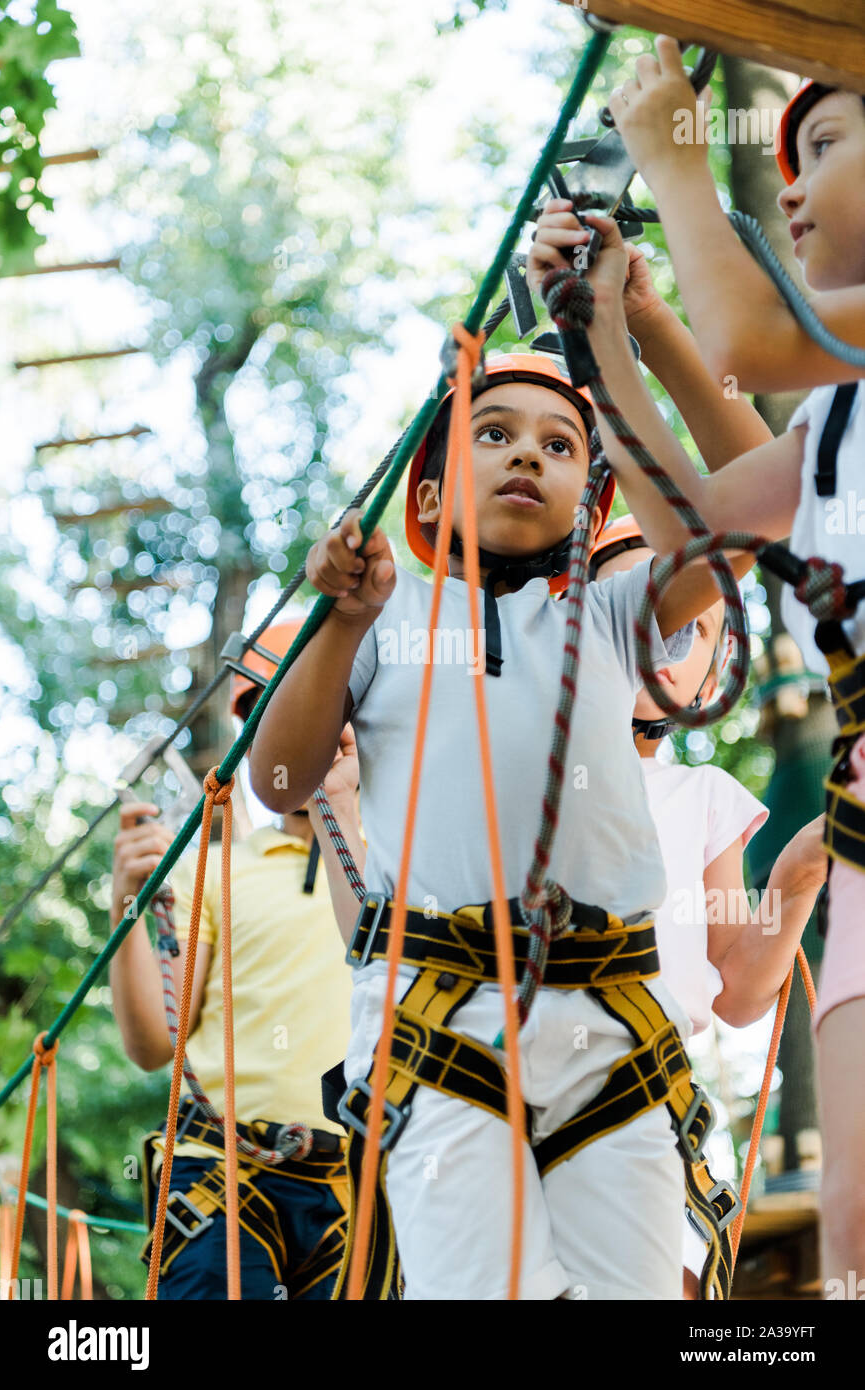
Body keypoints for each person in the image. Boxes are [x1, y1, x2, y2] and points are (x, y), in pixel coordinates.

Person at [249, 314, 773, 1299]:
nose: (527, 450)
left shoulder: (613, 613)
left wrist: (640, 331)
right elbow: (279, 781)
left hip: (608, 1024)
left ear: (593, 497)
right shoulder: (388, 613)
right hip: (440, 1018)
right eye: (493, 432)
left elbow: (757, 502)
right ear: (433, 489)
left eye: (561, 442)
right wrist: (341, 622)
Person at [527, 36, 865, 1285]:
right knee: (856, 1233)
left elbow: (752, 336)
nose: (787, 185)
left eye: (822, 145)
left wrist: (673, 151)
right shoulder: (839, 408)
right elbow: (699, 528)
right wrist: (616, 325)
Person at [592, 517, 826, 1297]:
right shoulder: (512, 773)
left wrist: (794, 879)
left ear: (718, 663)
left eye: (686, 629)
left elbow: (734, 987)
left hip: (648, 1107)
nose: (659, 642)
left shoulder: (702, 799)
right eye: (636, 611)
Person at [109, 621, 360, 1299]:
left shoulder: (407, 866)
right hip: (224, 1173)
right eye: (285, 719)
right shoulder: (216, 872)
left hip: (363, 1189)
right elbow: (154, 1042)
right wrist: (128, 907)